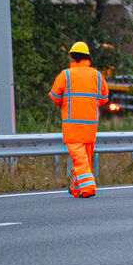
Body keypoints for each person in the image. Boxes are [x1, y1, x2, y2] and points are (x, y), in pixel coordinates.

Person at [50, 42, 109, 197]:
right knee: (84, 159)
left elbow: (55, 96)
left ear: (72, 57)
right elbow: (104, 98)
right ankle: (76, 189)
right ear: (87, 57)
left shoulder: (66, 75)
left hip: (72, 126)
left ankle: (88, 187)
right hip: (90, 126)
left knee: (80, 159)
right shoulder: (97, 75)